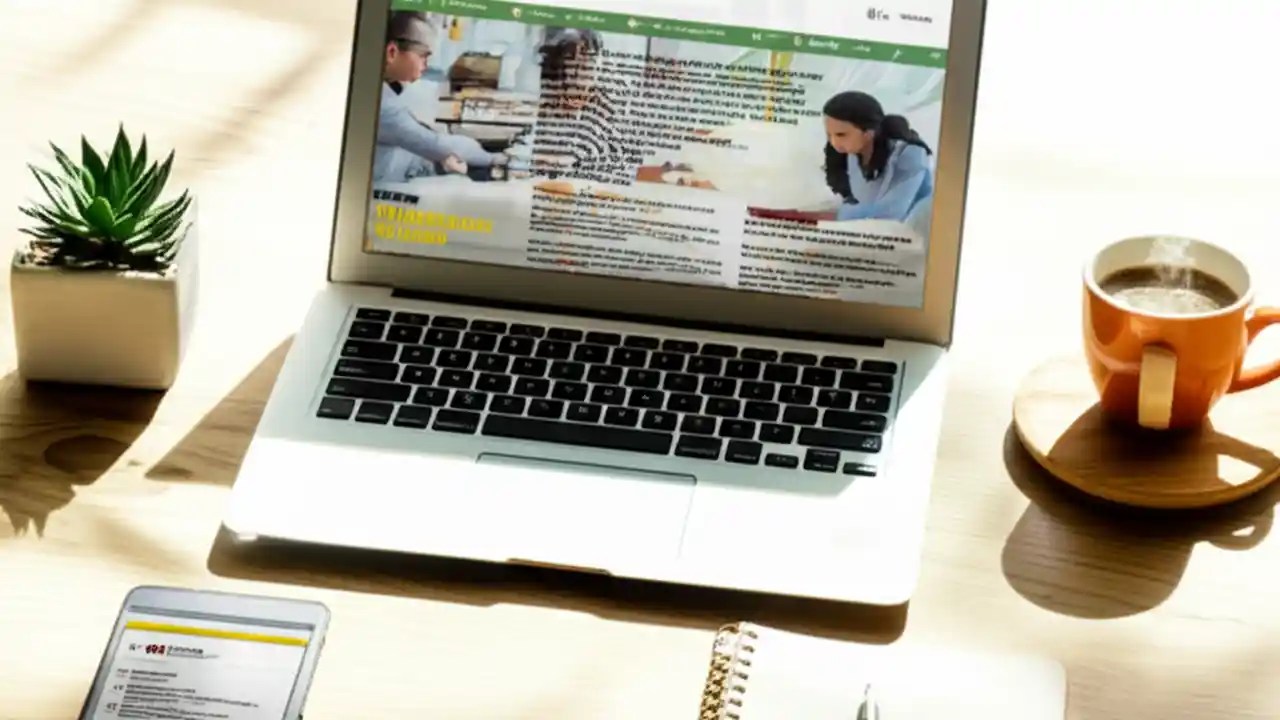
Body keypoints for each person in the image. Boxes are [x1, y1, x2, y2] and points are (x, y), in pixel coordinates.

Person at [374, 11, 505, 183]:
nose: (426, 65)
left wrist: (439, 164)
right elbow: (436, 144)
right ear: (392, 52)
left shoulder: (384, 91)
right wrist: (494, 159)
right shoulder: (384, 106)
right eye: (423, 56)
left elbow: (416, 141)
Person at [531, 27, 635, 184]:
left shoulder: (610, 116)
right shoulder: (542, 110)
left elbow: (623, 173)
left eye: (586, 64)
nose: (576, 74)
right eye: (570, 62)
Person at [821, 91, 934, 223]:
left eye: (841, 135)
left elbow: (892, 211)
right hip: (876, 232)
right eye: (829, 135)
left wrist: (838, 215)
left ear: (869, 133)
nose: (834, 143)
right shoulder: (850, 154)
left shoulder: (910, 154)